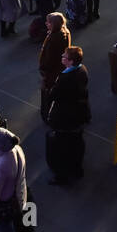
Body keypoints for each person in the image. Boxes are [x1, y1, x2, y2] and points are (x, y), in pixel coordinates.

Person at [44, 45, 90, 185]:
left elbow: (54, 95)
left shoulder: (65, 78)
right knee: (76, 142)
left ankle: (62, 175)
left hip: (65, 117)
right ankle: (77, 169)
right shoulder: (82, 70)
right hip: (78, 115)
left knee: (62, 147)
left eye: (64, 56)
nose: (62, 57)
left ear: (70, 61)